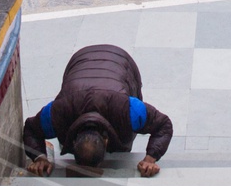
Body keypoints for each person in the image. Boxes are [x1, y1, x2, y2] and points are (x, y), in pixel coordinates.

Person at [23, 44, 172, 178]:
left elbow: (163, 124)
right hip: (80, 62)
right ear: (73, 140)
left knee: (123, 139)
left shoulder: (128, 111)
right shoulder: (59, 112)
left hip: (122, 63)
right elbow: (31, 128)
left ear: (107, 141)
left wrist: (150, 159)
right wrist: (40, 157)